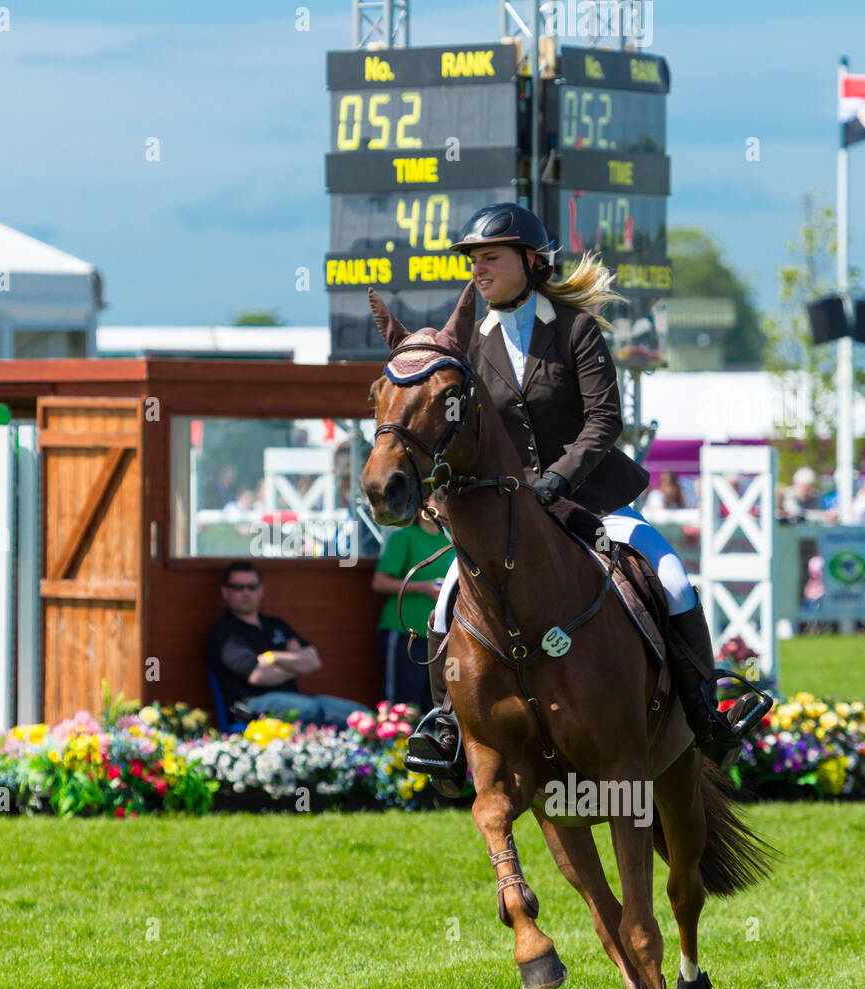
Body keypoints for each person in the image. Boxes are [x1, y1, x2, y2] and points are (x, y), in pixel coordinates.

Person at [402, 202, 770, 787]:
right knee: (447, 598)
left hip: (590, 500)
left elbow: (604, 420)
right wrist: (438, 486)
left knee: (671, 576)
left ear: (529, 260)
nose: (478, 270)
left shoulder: (575, 330)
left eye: (489, 258)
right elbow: (457, 431)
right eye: (473, 260)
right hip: (505, 516)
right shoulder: (469, 346)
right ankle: (446, 728)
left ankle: (707, 711)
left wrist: (557, 479)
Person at [204, 560, 365, 728]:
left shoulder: (275, 624)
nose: (246, 592)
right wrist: (295, 663)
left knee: (359, 714)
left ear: (261, 590)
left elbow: (314, 660)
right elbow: (259, 676)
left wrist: (273, 657)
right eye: (238, 587)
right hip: (251, 705)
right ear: (225, 592)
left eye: (252, 587)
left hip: (296, 699)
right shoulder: (224, 634)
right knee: (309, 710)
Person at [371, 508, 453, 712]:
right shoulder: (404, 537)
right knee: (402, 707)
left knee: (436, 707)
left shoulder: (454, 540)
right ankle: (396, 745)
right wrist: (424, 587)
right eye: (435, 496)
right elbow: (379, 582)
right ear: (420, 506)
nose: (442, 503)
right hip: (405, 634)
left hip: (443, 638)